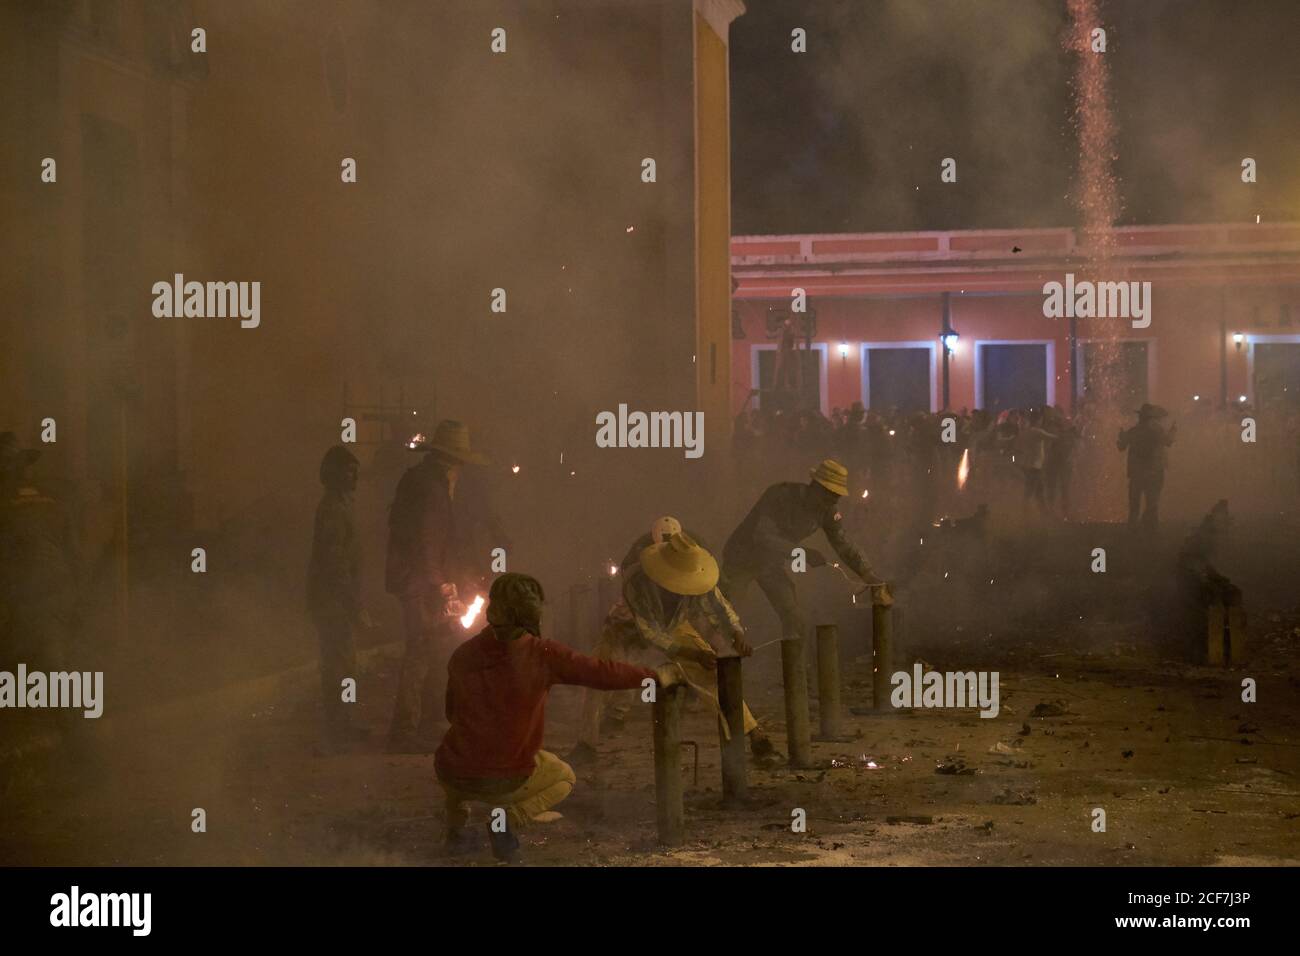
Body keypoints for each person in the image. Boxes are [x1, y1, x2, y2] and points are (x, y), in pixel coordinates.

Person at [435, 573, 671, 862]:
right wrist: (655, 675)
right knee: (564, 776)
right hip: (505, 778)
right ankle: (507, 821)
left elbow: (451, 713)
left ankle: (455, 834)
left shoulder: (462, 653)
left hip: (451, 771)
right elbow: (602, 672)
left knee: (460, 760)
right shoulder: (542, 654)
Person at [571, 530, 774, 765]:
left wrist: (737, 632)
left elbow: (720, 608)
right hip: (626, 628)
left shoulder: (699, 578)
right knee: (598, 676)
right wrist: (692, 653)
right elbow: (650, 632)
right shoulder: (637, 582)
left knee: (712, 677)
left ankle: (756, 736)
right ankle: (586, 744)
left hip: (675, 626)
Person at [384, 420, 487, 753]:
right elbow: (426, 543)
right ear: (451, 461)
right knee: (420, 649)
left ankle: (428, 720)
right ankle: (403, 730)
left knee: (433, 647)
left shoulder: (422, 480)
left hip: (417, 578)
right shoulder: (432, 489)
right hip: (419, 582)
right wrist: (441, 584)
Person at [719, 459, 881, 647]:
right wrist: (802, 553)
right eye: (829, 495)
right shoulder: (780, 495)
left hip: (770, 565)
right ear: (815, 487)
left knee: (795, 620)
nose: (831, 502)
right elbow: (762, 537)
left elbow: (842, 543)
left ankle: (796, 671)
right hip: (741, 560)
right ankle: (716, 665)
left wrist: (867, 574)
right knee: (725, 618)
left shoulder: (827, 510)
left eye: (836, 497)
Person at [306, 445, 372, 752]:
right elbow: (335, 564)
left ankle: (341, 724)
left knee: (343, 665)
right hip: (333, 602)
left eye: (355, 470)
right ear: (334, 475)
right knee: (339, 666)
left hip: (336, 600)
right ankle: (337, 728)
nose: (355, 476)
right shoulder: (333, 509)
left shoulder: (341, 505)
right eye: (348, 470)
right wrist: (353, 604)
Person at [1118, 404, 1176, 533]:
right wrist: (1173, 430)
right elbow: (1169, 442)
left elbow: (1121, 447)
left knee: (1134, 505)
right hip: (1154, 471)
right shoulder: (1157, 430)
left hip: (1136, 473)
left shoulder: (1133, 431)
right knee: (1152, 503)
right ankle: (1150, 530)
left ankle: (1132, 531)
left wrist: (1121, 436)